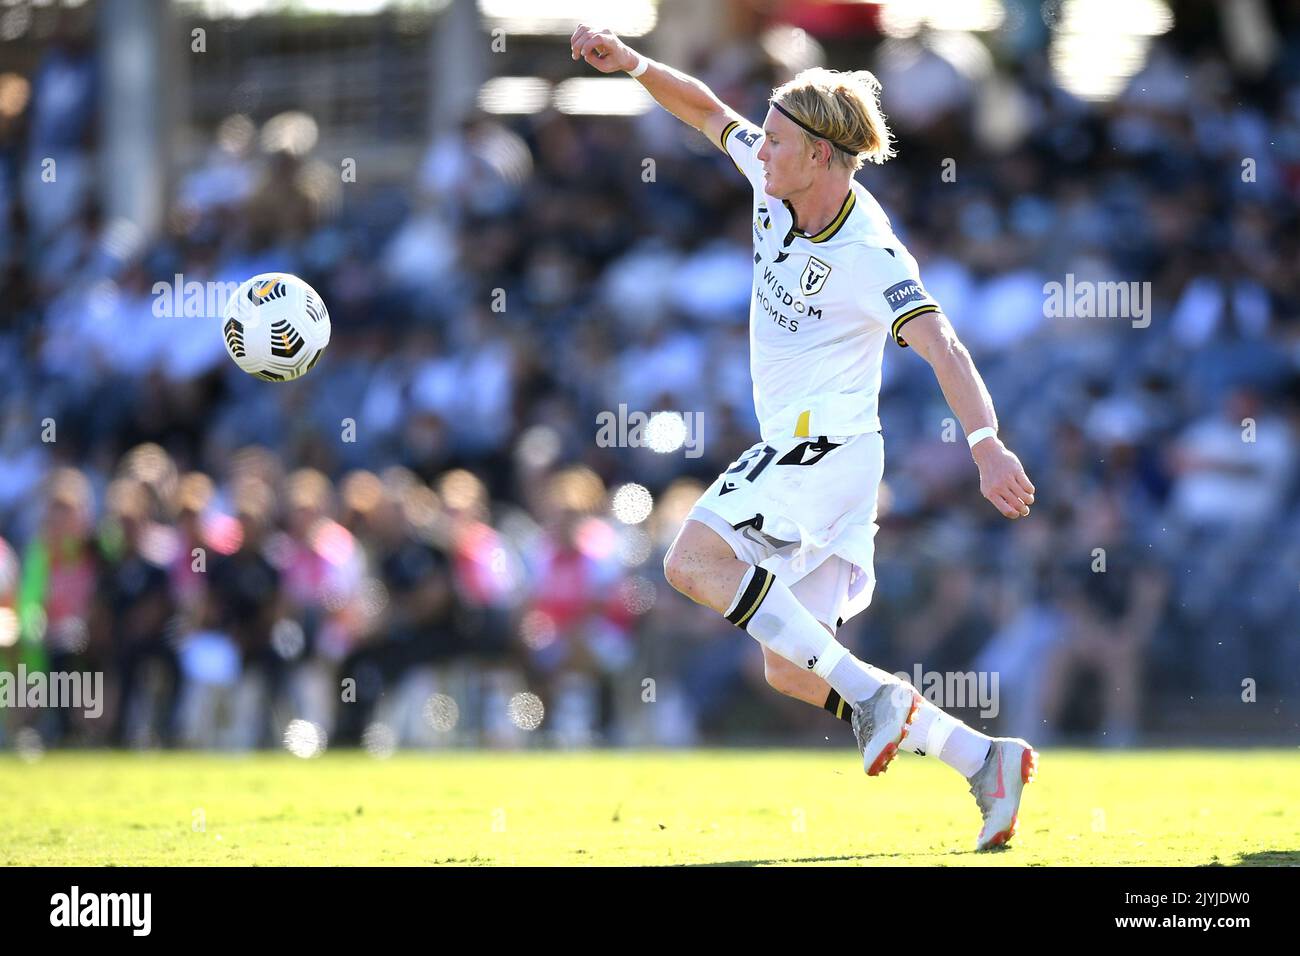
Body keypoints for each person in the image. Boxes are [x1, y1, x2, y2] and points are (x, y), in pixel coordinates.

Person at [571, 24, 1040, 850]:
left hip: (827, 448)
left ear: (822, 156)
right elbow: (707, 109)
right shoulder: (774, 173)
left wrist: (985, 443)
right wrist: (636, 63)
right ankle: (981, 758)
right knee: (790, 665)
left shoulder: (870, 251)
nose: (762, 149)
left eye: (779, 140)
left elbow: (943, 344)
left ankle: (880, 702)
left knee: (691, 564)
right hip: (815, 454)